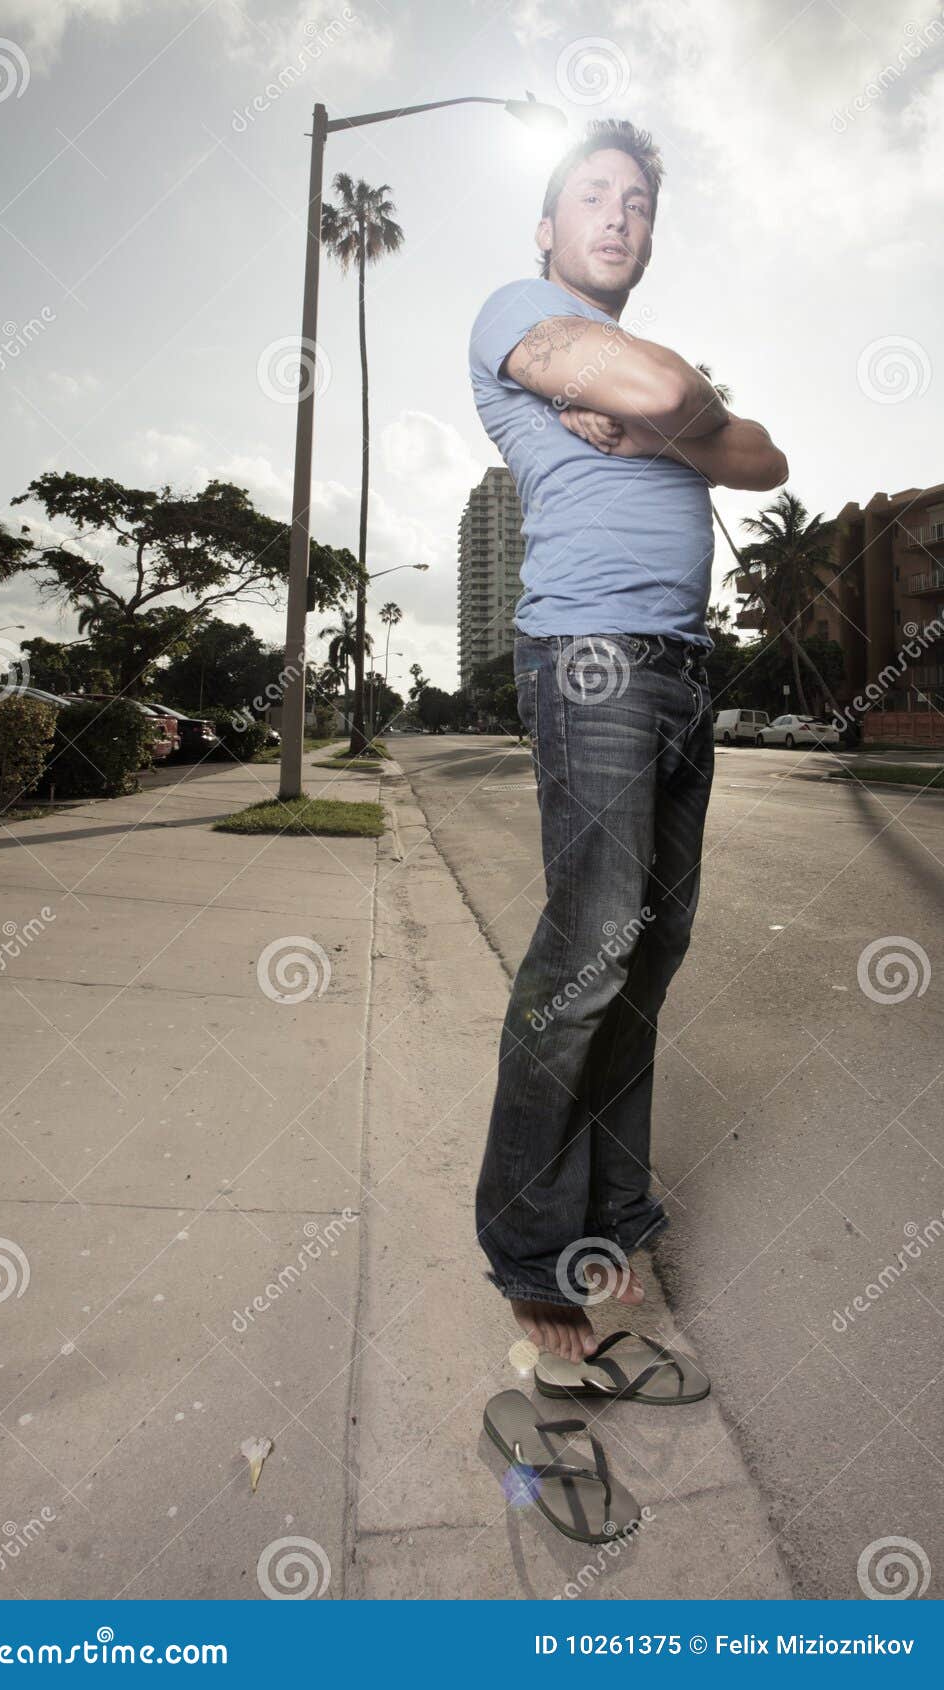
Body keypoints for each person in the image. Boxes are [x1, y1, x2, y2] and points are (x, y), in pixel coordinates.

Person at [469, 120, 787, 1363]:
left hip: (681, 666)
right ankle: (529, 1246)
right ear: (548, 227)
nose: (618, 217)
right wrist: (678, 410)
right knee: (588, 953)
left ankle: (606, 1220)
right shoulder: (514, 308)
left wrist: (667, 422)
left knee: (648, 959)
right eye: (593, 197)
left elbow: (763, 457)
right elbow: (675, 395)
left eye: (639, 204)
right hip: (590, 658)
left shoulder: (618, 354)